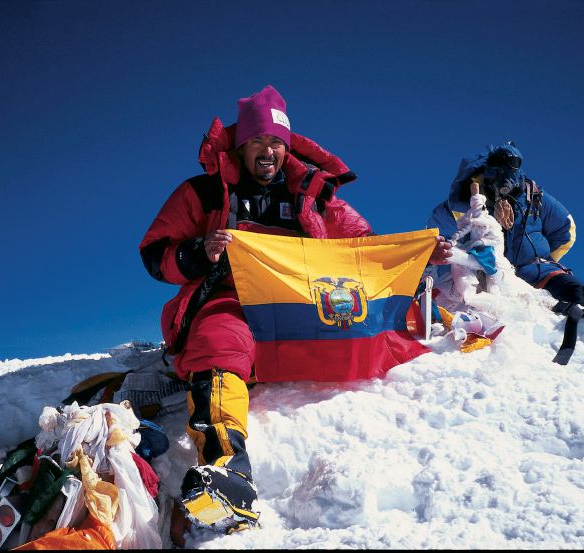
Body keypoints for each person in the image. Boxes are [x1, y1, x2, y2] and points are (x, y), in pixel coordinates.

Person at [139, 85, 452, 535]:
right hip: (232, 298)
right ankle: (229, 472)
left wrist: (417, 255)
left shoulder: (315, 193)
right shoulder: (204, 194)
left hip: (305, 301)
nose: (269, 151)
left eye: (277, 143)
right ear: (241, 146)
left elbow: (362, 246)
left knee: (365, 320)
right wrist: (200, 252)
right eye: (259, 142)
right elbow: (156, 254)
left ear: (287, 148)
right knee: (218, 344)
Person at [427, 142, 584, 306]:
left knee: (576, 293)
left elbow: (566, 230)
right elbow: (435, 240)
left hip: (538, 273)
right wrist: (439, 253)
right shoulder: (461, 207)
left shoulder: (533, 198)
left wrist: (541, 258)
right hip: (486, 278)